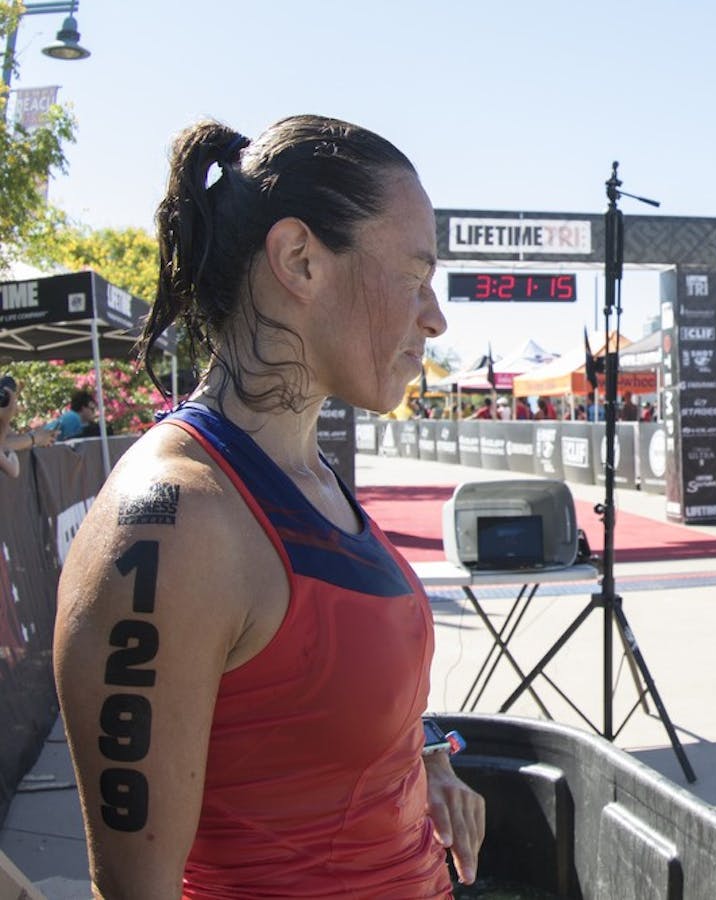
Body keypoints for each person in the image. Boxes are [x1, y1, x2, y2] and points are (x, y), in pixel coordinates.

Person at [53, 115, 485, 898]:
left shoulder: (305, 473)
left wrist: (426, 756)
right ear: (298, 260)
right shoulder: (175, 523)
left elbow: (321, 702)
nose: (435, 317)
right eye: (416, 275)